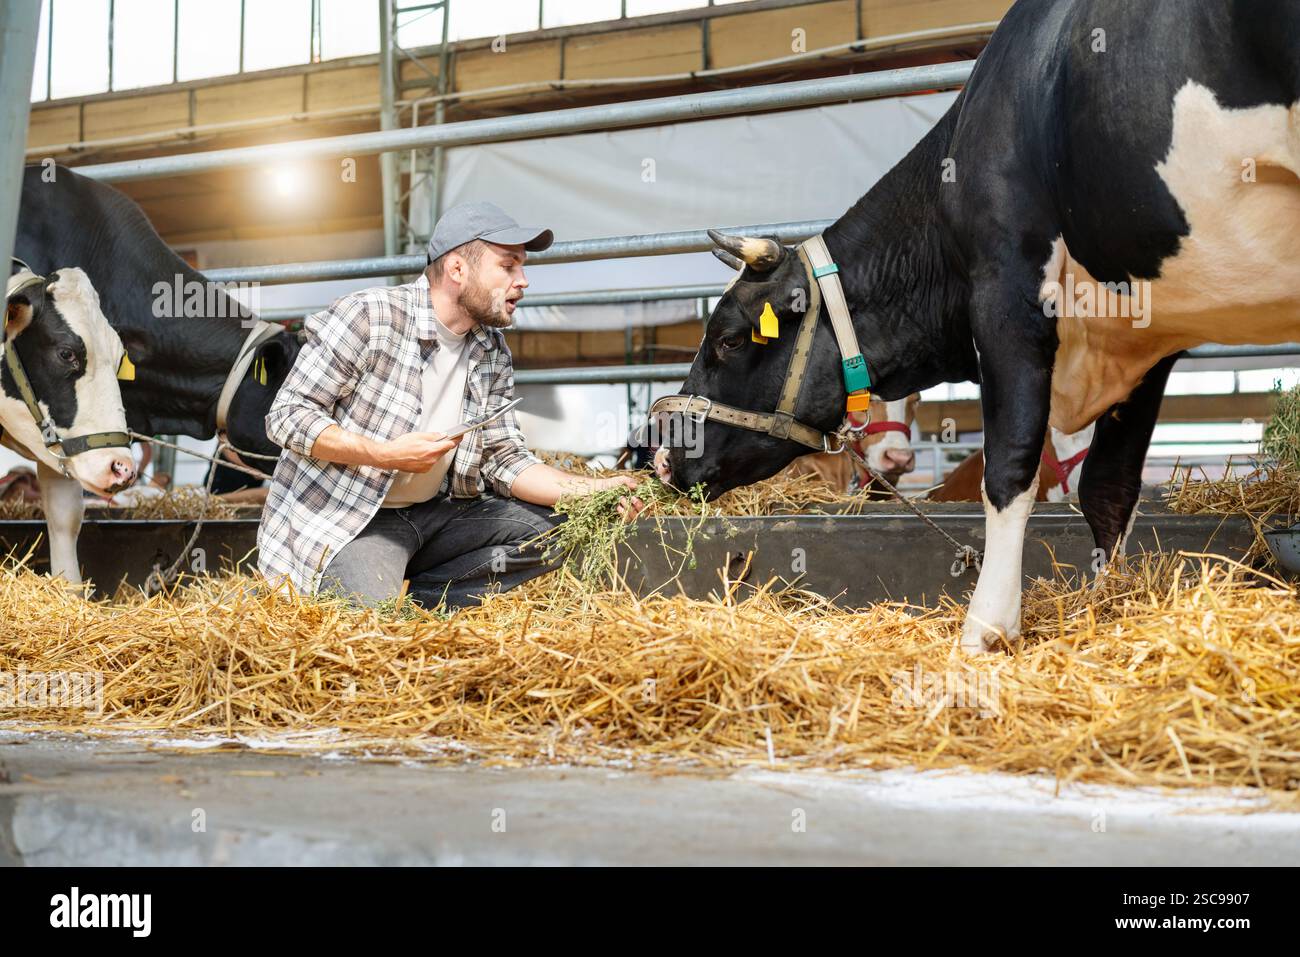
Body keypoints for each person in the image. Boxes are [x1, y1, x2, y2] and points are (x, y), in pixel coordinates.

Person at [257, 201, 643, 608]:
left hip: (434, 515)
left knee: (566, 526)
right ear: (458, 270)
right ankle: (374, 594)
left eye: (522, 268)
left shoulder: (490, 348)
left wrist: (594, 491)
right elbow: (287, 417)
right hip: (353, 521)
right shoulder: (369, 316)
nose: (523, 281)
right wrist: (383, 454)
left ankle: (430, 602)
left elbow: (505, 459)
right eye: (508, 266)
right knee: (370, 631)